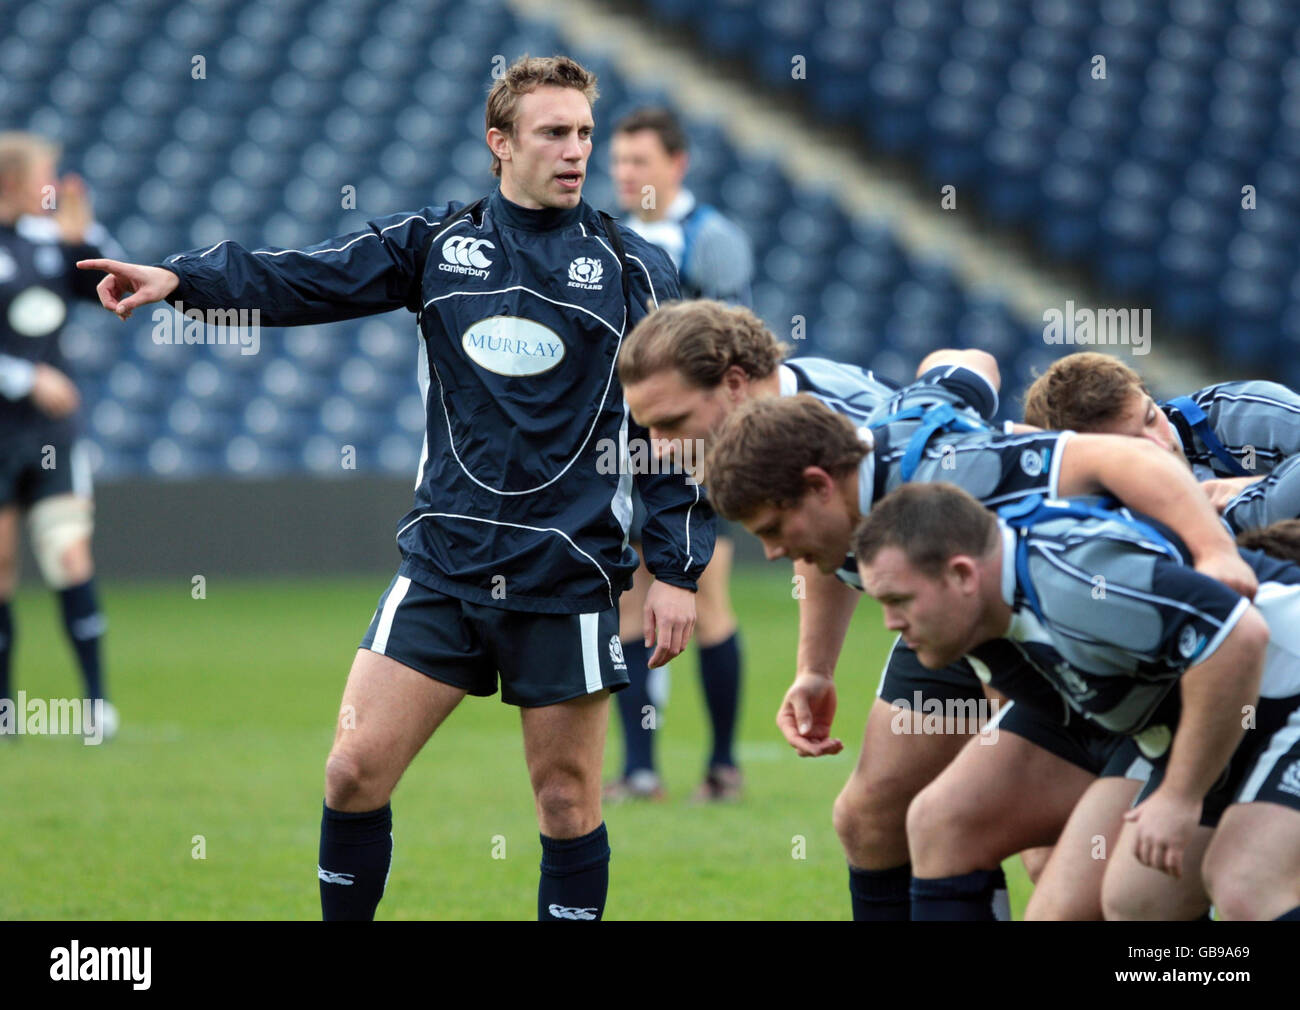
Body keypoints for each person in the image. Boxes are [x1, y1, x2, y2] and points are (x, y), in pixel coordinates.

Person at [77, 54, 713, 922]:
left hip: (564, 576)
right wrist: (185, 280)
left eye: (585, 135)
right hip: (444, 565)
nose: (575, 151)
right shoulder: (436, 246)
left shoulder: (633, 268)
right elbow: (304, 277)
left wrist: (676, 568)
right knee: (351, 771)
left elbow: (671, 431)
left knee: (567, 805)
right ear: (500, 143)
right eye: (554, 133)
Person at [702, 391, 1257, 919]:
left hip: (1161, 681)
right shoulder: (849, 522)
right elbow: (963, 364)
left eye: (774, 530)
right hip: (1062, 676)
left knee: (1131, 897)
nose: (772, 552)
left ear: (820, 485)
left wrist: (1214, 550)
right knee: (932, 820)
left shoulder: (983, 495)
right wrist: (815, 670)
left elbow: (1126, 458)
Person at [852, 481, 1300, 921]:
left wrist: (1180, 796)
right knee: (1140, 902)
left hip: (1283, 685)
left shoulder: (1073, 583)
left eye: (900, 600)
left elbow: (1239, 638)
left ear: (963, 574)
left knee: (1247, 883)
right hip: (1232, 713)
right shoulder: (993, 624)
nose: (891, 622)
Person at [603, 108, 754, 801]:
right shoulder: (607, 236)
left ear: (676, 164)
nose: (625, 174)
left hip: (691, 450)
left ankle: (722, 764)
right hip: (626, 446)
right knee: (632, 604)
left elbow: (735, 349)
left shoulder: (711, 240)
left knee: (706, 596)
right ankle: (640, 768)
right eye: (620, 162)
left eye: (639, 161)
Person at [0, 131, 120, 740]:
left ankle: (97, 706)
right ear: (14, 180)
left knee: (69, 554)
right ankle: (4, 713)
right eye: (46, 174)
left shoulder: (50, 240)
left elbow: (116, 287)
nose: (56, 186)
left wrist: (87, 238)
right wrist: (24, 377)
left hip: (52, 432)